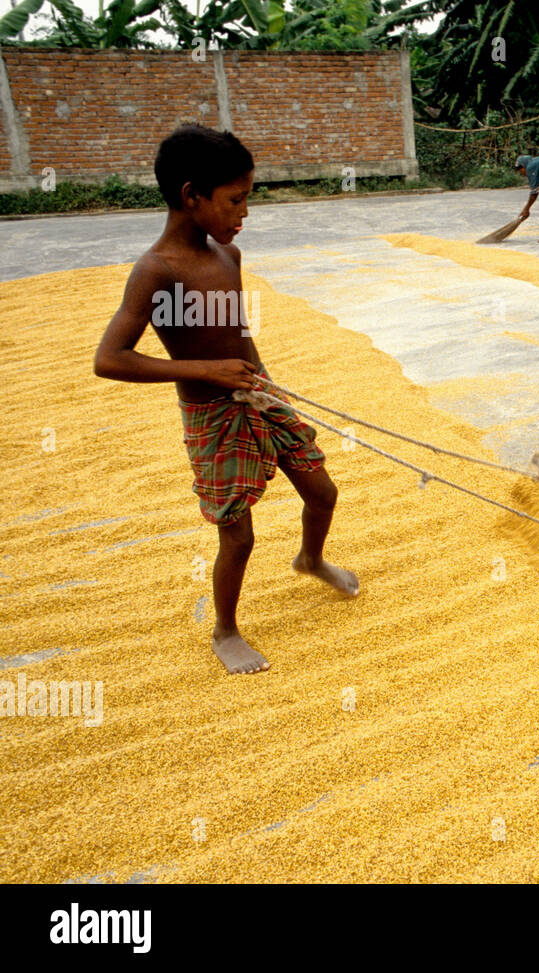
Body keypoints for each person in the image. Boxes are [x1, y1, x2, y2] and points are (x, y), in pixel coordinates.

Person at [94, 124, 358, 675]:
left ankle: (310, 558)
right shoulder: (156, 271)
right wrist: (209, 372)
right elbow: (111, 359)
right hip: (211, 413)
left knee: (322, 490)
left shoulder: (227, 255)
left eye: (248, 198)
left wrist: (262, 380)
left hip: (257, 393)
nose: (245, 212)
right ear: (192, 196)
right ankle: (226, 629)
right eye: (236, 200)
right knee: (237, 535)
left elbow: (238, 335)